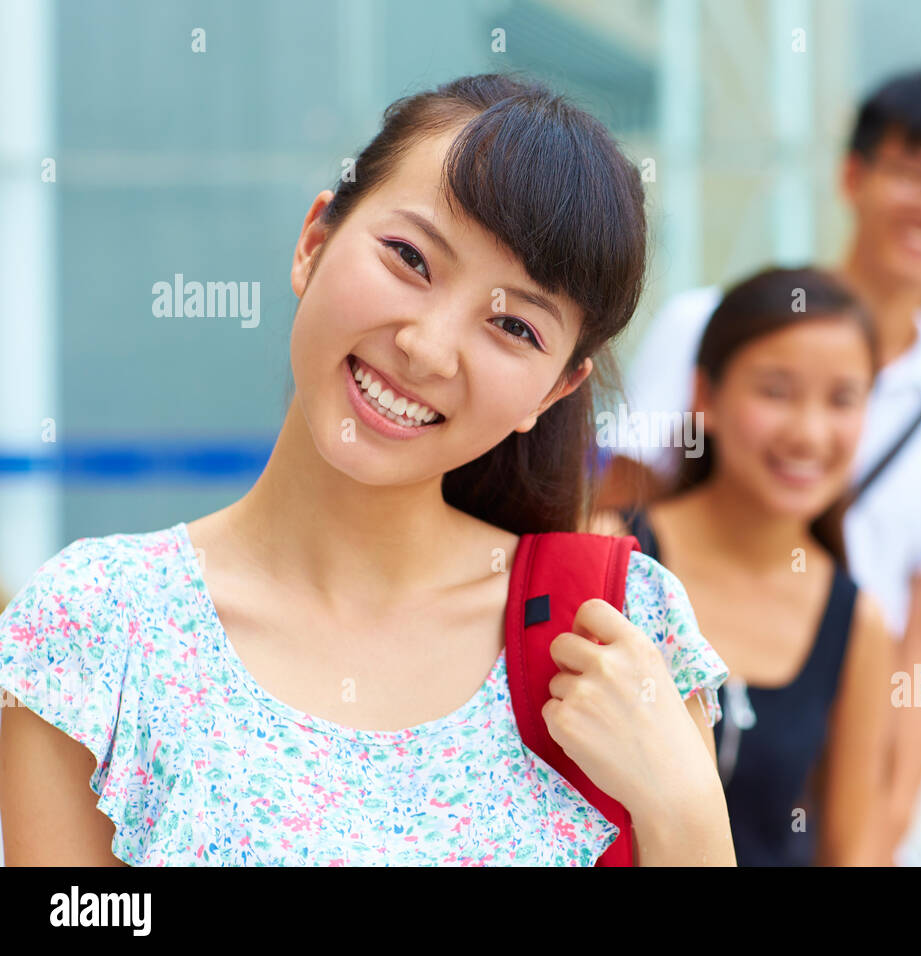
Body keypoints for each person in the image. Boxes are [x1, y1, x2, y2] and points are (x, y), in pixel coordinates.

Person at [0, 74, 734, 867]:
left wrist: (685, 809)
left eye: (514, 325)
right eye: (410, 258)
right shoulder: (97, 631)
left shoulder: (620, 630)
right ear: (313, 242)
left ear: (555, 389)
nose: (427, 347)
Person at [596, 70, 921, 862]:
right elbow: (620, 519)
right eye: (913, 175)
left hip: (818, 731)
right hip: (673, 680)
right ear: (853, 175)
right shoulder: (707, 326)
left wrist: (884, 826)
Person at [593, 266, 895, 865]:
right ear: (704, 396)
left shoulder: (857, 620)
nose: (809, 433)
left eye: (842, 399)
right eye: (776, 391)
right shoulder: (609, 556)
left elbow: (852, 851)